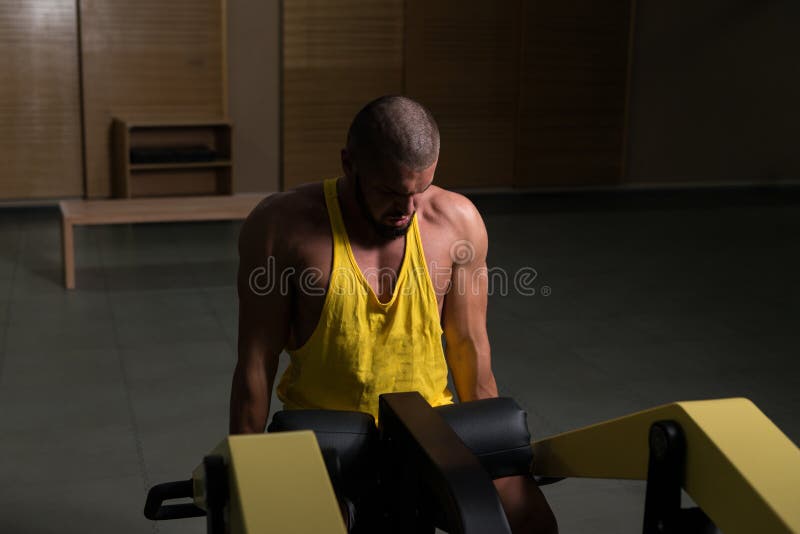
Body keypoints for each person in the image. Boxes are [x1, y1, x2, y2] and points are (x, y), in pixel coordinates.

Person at [229, 95, 557, 533]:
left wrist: (496, 453)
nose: (407, 210)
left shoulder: (457, 222)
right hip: (325, 436)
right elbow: (256, 360)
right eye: (389, 191)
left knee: (529, 521)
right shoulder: (279, 226)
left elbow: (469, 347)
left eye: (419, 190)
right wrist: (244, 469)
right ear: (349, 164)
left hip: (429, 430)